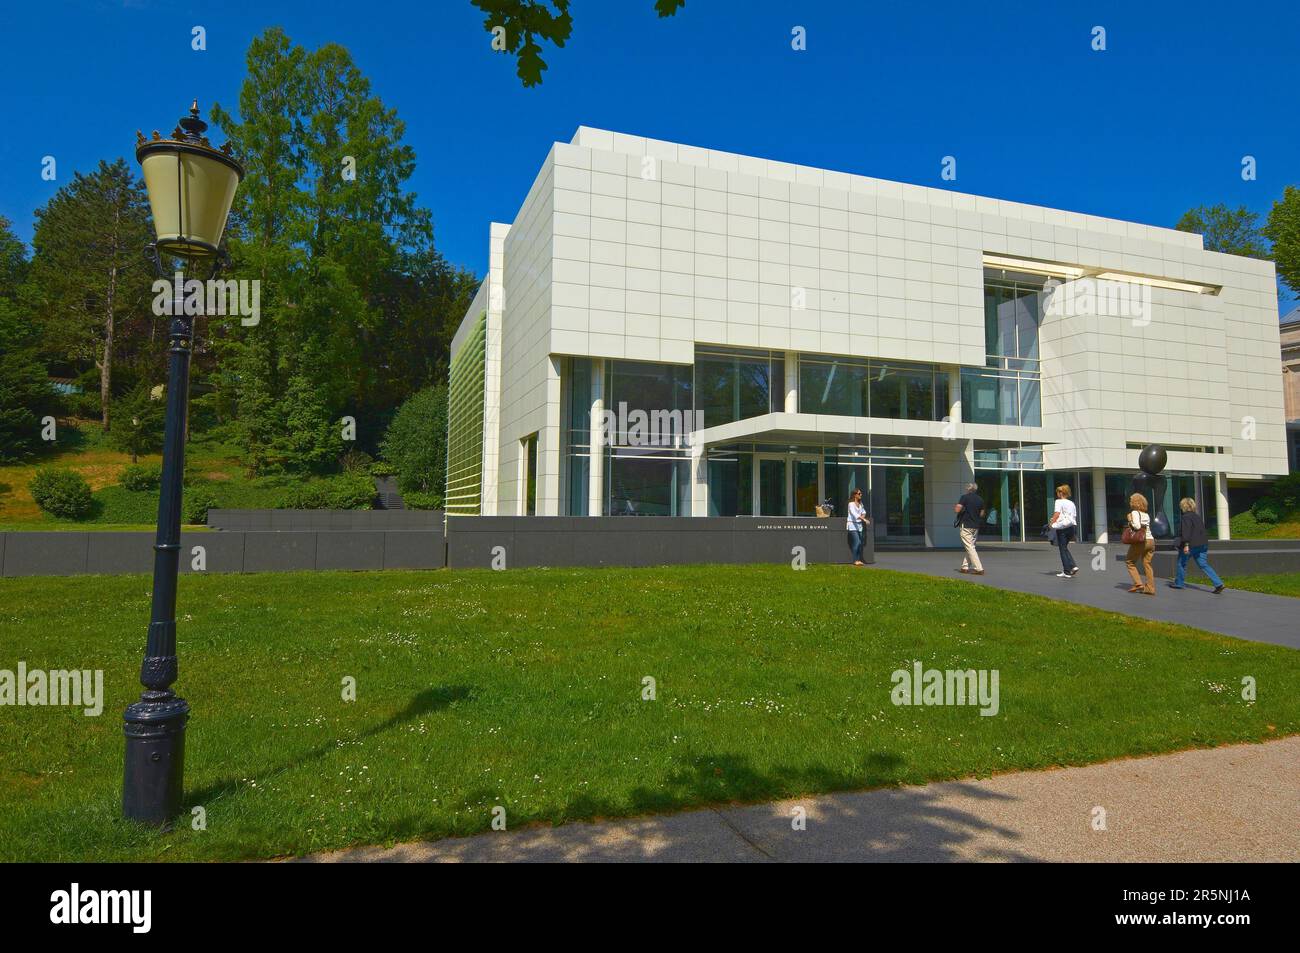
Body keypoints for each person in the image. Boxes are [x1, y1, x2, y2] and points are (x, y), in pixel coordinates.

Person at [1171, 497, 1225, 594]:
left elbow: (1186, 532)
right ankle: (1218, 583)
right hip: (1202, 545)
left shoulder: (1186, 517)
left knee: (1181, 563)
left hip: (1191, 545)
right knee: (1203, 564)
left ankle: (1179, 583)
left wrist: (1186, 545)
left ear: (1183, 506)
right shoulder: (1197, 517)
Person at [1124, 493, 1156, 595]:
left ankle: (1138, 583)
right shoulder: (1146, 514)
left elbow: (1137, 527)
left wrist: (1129, 520)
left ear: (1135, 503)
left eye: (1131, 501)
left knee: (1129, 561)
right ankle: (1150, 588)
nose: (1130, 502)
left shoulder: (1134, 513)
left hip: (1141, 541)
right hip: (1151, 541)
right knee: (1147, 564)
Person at [954, 482, 985, 575]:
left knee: (970, 547)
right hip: (975, 526)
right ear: (975, 489)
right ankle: (965, 567)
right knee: (971, 546)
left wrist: (958, 507)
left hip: (966, 525)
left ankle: (979, 568)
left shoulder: (964, 497)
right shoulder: (980, 499)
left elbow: (957, 510)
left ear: (968, 489)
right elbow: (982, 514)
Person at [1049, 483, 1079, 578]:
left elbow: (1057, 513)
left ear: (1061, 493)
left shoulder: (1058, 501)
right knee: (1064, 547)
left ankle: (1066, 571)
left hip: (1062, 528)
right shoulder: (1071, 503)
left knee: (1062, 549)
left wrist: (1051, 523)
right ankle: (1073, 566)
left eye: (1057, 492)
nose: (1057, 494)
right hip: (1072, 527)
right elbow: (1074, 516)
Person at [845, 488, 870, 566]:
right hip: (852, 525)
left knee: (860, 543)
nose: (860, 495)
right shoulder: (851, 504)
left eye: (861, 493)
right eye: (859, 494)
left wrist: (862, 516)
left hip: (859, 525)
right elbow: (854, 514)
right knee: (857, 542)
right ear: (855, 495)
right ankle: (855, 560)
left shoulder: (861, 504)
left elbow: (864, 512)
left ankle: (858, 560)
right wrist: (864, 519)